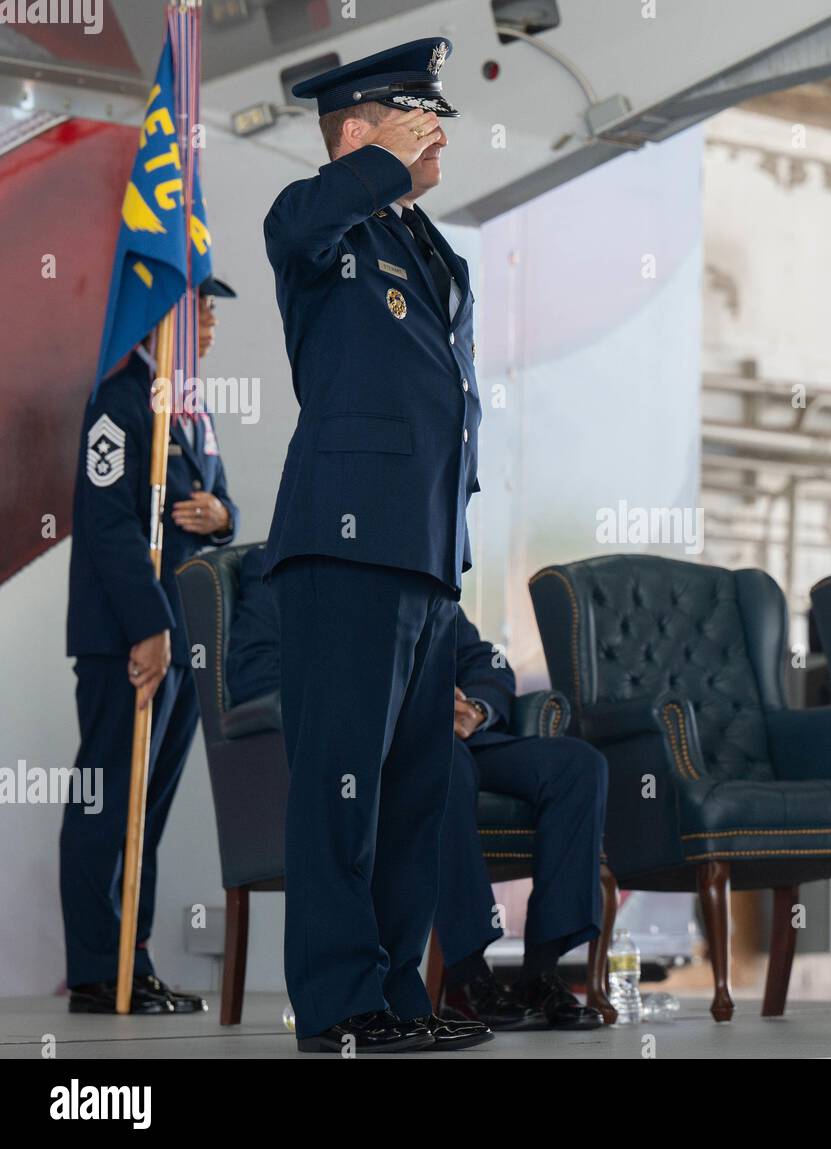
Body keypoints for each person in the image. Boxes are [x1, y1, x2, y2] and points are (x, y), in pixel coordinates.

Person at [262, 37, 489, 1054]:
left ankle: (397, 995)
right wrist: (374, 166)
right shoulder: (316, 219)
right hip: (345, 546)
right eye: (412, 111)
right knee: (339, 791)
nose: (435, 125)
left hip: (427, 555)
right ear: (356, 130)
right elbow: (307, 219)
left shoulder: (432, 249)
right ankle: (339, 1005)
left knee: (408, 799)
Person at [226, 546, 609, 1032]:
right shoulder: (287, 566)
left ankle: (541, 971)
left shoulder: (412, 560)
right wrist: (399, 703)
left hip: (463, 735)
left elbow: (485, 660)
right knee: (440, 766)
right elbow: (253, 672)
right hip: (378, 748)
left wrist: (474, 708)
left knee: (579, 765)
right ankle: (468, 980)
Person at [62, 276, 240, 1014]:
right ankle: (96, 972)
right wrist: (148, 626)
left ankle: (133, 960)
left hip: (182, 643)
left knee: (148, 811)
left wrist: (222, 513)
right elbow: (108, 525)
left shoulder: (190, 412)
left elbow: (219, 505)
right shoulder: (119, 399)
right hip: (130, 642)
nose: (207, 322)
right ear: (160, 315)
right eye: (196, 307)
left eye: (210, 311)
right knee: (107, 803)